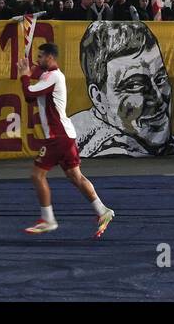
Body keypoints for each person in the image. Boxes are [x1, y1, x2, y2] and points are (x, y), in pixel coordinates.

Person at [19, 42, 116, 238]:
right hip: (66, 136)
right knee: (76, 176)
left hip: (57, 137)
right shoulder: (49, 75)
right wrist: (27, 70)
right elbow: (31, 95)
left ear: (50, 58)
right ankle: (103, 211)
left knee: (37, 176)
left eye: (40, 57)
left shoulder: (53, 76)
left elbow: (28, 93)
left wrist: (24, 75)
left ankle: (48, 219)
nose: (38, 60)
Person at [71, 21, 174, 157]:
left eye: (160, 79)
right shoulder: (105, 149)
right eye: (135, 86)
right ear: (98, 98)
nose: (158, 98)